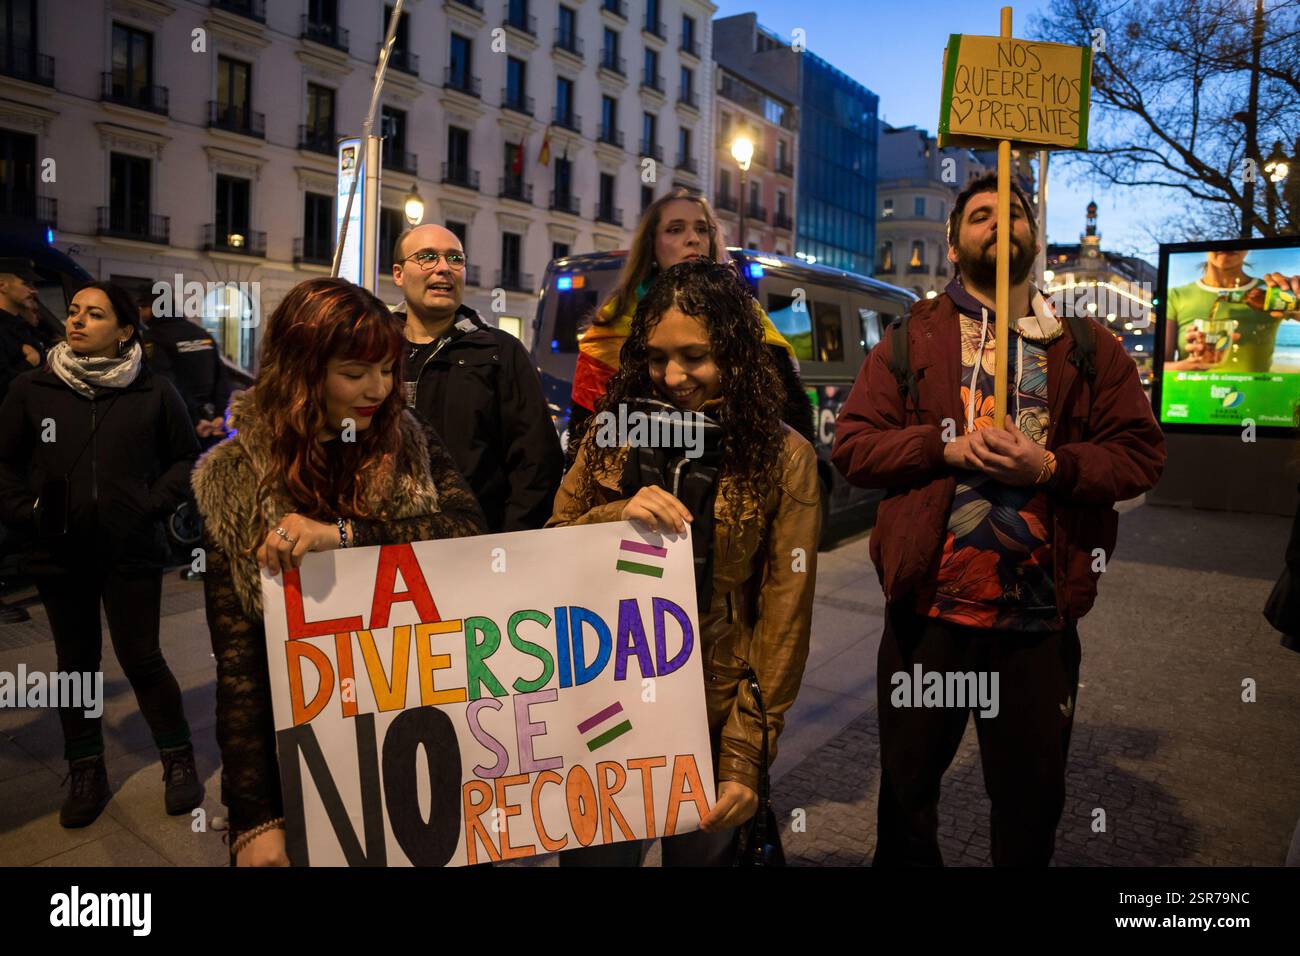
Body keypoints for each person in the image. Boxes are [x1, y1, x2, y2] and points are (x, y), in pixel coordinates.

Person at [832, 172, 1167, 866]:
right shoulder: (909, 338)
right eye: (979, 215)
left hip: (1038, 627)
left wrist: (1050, 467)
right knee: (907, 798)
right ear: (954, 243)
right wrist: (941, 447)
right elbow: (854, 447)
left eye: (1013, 214)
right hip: (928, 619)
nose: (998, 224)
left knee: (1030, 808)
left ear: (1035, 239)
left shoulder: (1087, 346)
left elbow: (1139, 457)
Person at [191, 277, 486, 866]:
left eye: (386, 369)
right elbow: (241, 666)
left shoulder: (409, 439)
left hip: (418, 723)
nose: (377, 389)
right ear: (302, 371)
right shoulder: (235, 476)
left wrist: (348, 537)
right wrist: (254, 818)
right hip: (307, 748)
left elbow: (467, 532)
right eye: (355, 372)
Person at [548, 260, 821, 866]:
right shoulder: (609, 435)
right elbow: (551, 545)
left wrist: (745, 759)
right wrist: (614, 515)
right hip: (600, 708)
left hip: (710, 717)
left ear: (735, 352)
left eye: (694, 356)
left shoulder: (784, 457)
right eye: (655, 357)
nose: (672, 377)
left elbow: (783, 623)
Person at [0, 280, 204, 827]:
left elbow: (186, 459)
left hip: (130, 547)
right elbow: (5, 465)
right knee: (75, 665)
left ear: (123, 332)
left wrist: (149, 505)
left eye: (94, 314)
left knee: (142, 658)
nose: (76, 321)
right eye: (73, 312)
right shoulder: (32, 388)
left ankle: (177, 759)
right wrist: (27, 512)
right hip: (58, 552)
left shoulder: (154, 391)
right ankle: (86, 767)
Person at [568, 187, 815, 456]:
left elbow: (790, 416)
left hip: (735, 476)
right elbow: (588, 435)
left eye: (702, 229)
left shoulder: (746, 313)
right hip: (639, 483)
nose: (693, 239)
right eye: (675, 229)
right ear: (651, 244)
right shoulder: (613, 322)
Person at [391, 224, 563, 533]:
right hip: (382, 550)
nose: (444, 268)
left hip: (475, 551)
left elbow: (537, 463)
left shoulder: (501, 352)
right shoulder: (372, 351)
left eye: (455, 259)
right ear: (399, 274)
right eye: (428, 257)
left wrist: (509, 544)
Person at [1165, 249, 1300, 372]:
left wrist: (1296, 293)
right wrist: (1189, 365)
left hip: (1258, 396)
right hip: (1190, 395)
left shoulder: (1270, 293)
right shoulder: (1176, 296)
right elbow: (1159, 367)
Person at [139, 295, 234, 450]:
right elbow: (222, 378)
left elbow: (167, 383)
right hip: (211, 425)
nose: (140, 314)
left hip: (180, 425)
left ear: (151, 309)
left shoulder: (154, 337)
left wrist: (195, 419)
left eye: (142, 308)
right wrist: (219, 414)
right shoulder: (201, 333)